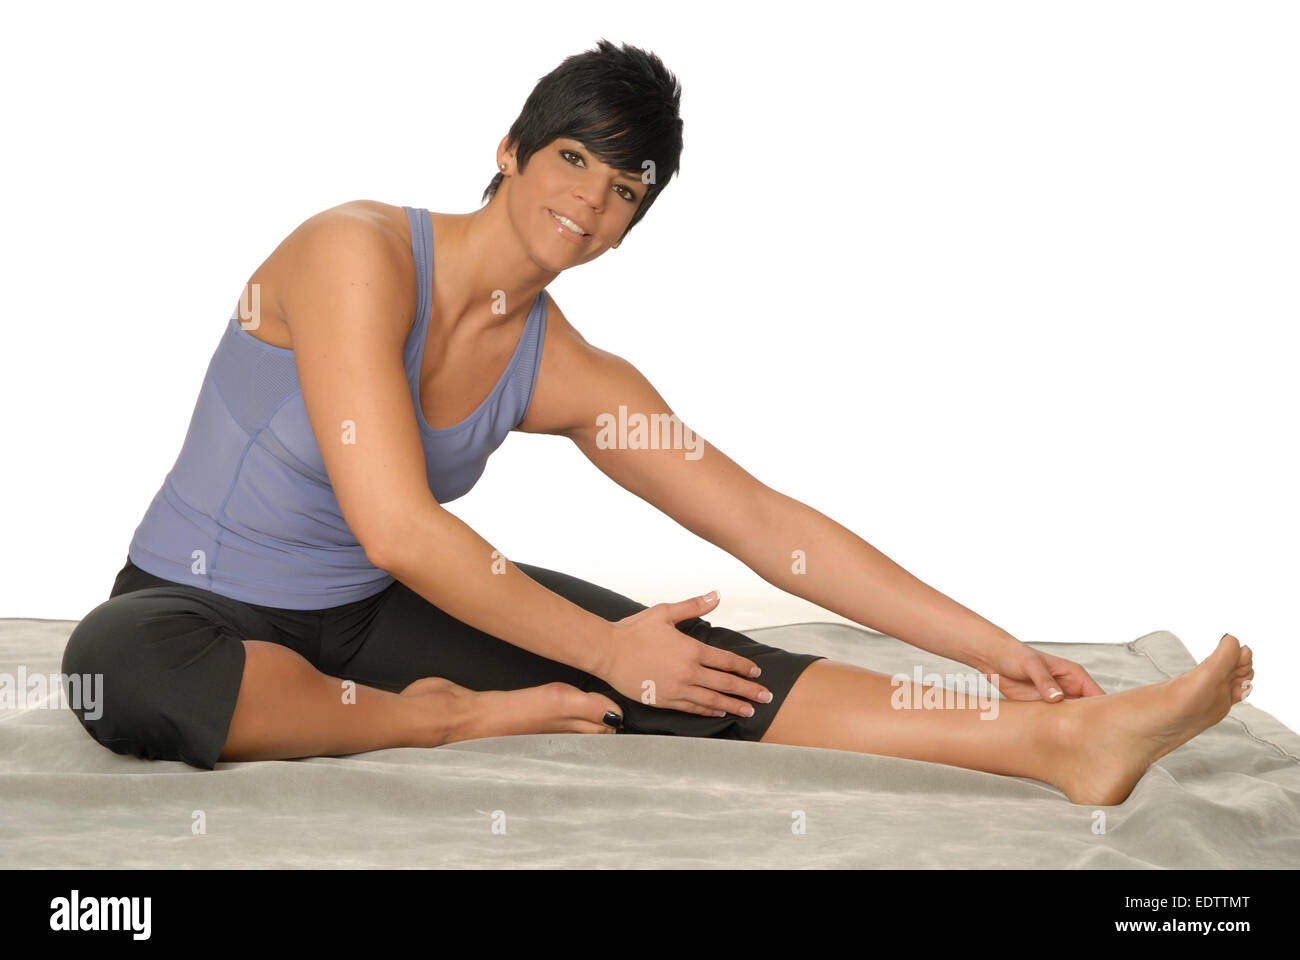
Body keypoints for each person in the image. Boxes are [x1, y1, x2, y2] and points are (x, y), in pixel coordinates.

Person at [62, 39, 1253, 806]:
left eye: (624, 188)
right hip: (192, 606)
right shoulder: (355, 254)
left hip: (368, 624)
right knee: (113, 671)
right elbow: (397, 527)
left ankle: (1055, 749)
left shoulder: (570, 370)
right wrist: (594, 650)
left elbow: (762, 523)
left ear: (638, 220)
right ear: (510, 152)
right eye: (574, 157)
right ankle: (443, 722)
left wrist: (988, 647)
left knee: (714, 675)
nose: (589, 198)